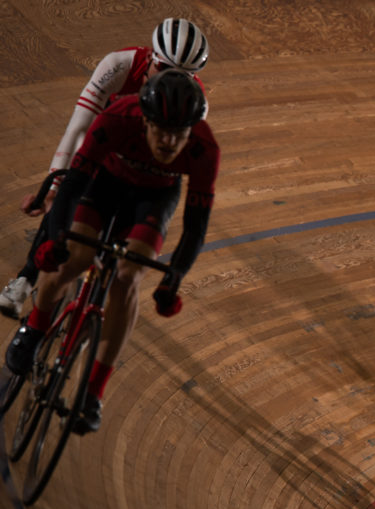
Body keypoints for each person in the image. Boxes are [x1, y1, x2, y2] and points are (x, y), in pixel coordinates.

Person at [4, 69, 219, 434]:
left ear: (191, 131)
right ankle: (35, 330)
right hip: (105, 184)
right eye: (160, 130)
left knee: (129, 276)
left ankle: (92, 393)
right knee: (75, 258)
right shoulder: (117, 117)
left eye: (178, 134)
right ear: (144, 119)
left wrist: (173, 280)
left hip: (154, 199)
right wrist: (55, 243)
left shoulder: (203, 148)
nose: (168, 142)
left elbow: (196, 227)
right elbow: (72, 186)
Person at [0, 18, 209, 320]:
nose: (168, 83)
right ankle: (26, 278)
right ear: (151, 57)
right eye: (164, 70)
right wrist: (54, 188)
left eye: (182, 77)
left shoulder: (195, 106)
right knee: (67, 195)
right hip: (102, 142)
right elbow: (78, 129)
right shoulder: (119, 65)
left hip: (145, 163)